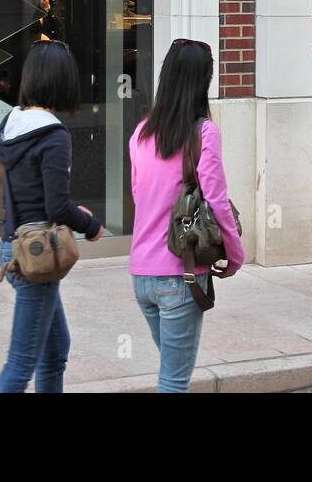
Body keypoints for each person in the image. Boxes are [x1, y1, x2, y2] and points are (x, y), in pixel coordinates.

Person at [128, 38, 244, 393]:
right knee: (174, 382)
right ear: (204, 81)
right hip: (181, 274)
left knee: (172, 373)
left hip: (142, 275)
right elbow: (217, 201)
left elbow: (139, 197)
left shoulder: (141, 132)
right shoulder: (203, 132)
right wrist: (235, 254)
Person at [0, 41, 104, 393]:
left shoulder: (11, 124)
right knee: (21, 364)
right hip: (36, 255)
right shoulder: (53, 135)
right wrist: (90, 225)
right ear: (62, 81)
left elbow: (34, 196)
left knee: (54, 352)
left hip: (13, 246)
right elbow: (57, 207)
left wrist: (73, 213)